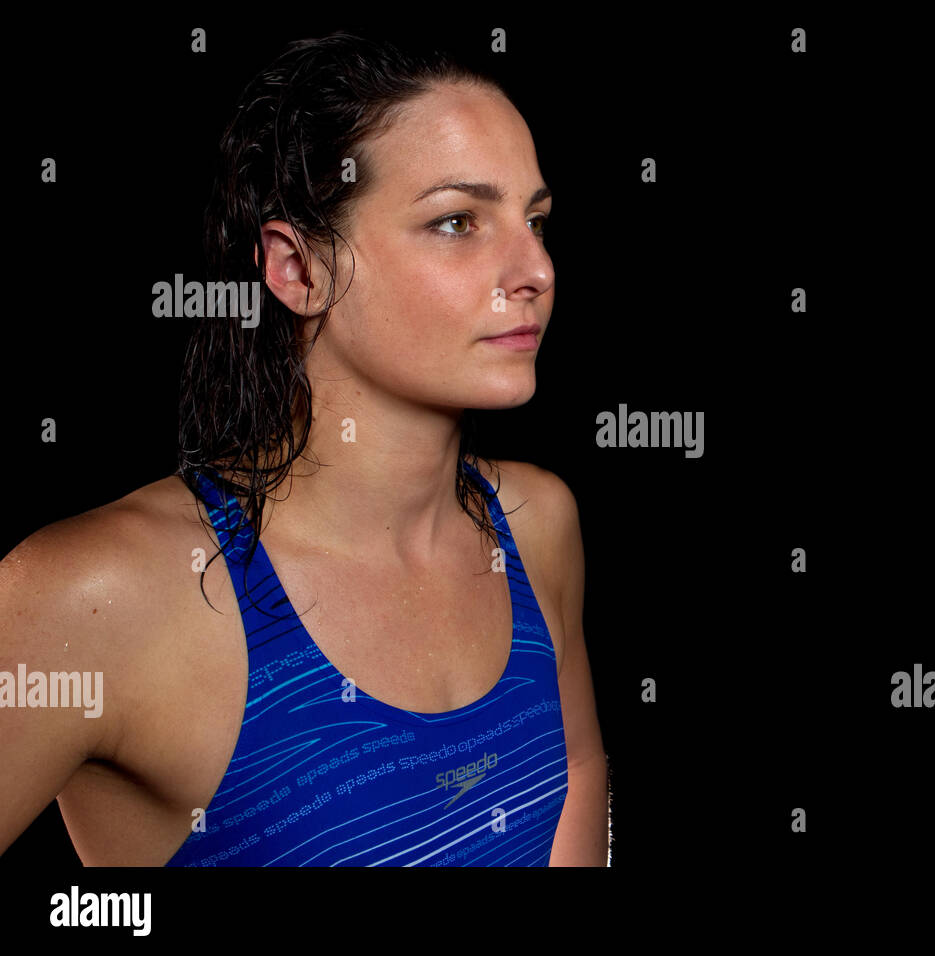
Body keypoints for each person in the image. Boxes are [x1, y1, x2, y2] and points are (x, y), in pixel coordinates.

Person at [0, 32, 608, 866]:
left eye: (535, 221)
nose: (535, 268)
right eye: (457, 221)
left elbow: (578, 767)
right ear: (298, 269)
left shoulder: (537, 524)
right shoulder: (98, 595)